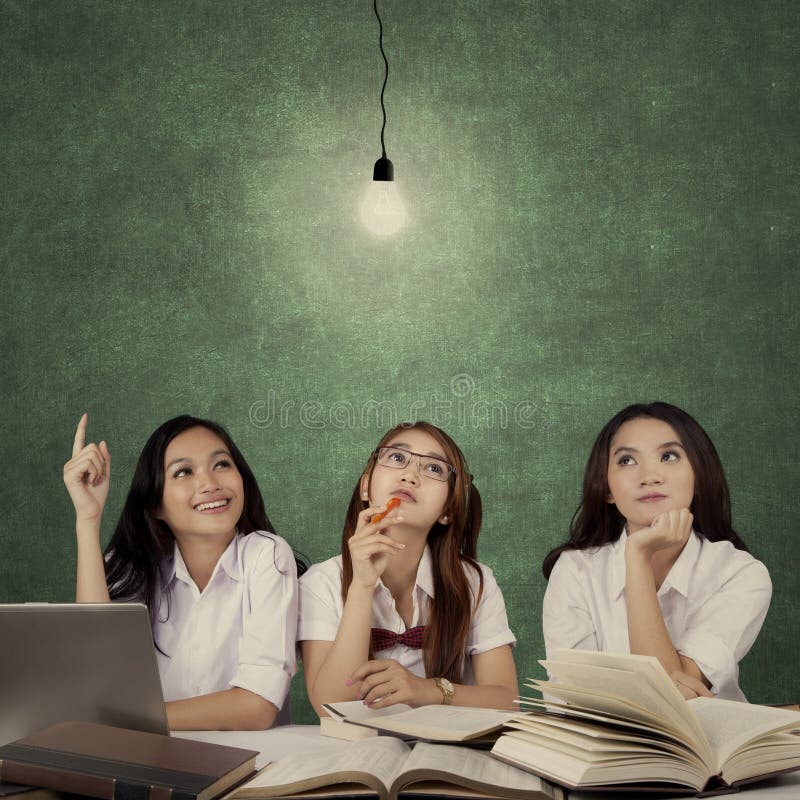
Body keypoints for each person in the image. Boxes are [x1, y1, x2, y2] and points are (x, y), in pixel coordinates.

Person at [63, 412, 303, 730]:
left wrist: (129, 717)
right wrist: (88, 518)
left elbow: (256, 706)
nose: (210, 484)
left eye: (222, 464)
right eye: (184, 472)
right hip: (152, 752)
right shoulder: (132, 568)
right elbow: (97, 672)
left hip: (250, 758)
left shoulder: (267, 555)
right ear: (155, 505)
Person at [541, 402, 771, 702]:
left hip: (705, 733)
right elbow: (574, 700)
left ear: (699, 476)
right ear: (606, 488)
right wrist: (637, 554)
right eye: (627, 460)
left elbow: (666, 701)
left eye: (669, 456)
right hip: (599, 734)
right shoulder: (574, 569)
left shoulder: (741, 574)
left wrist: (637, 558)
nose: (650, 476)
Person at [298, 421, 518, 715]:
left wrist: (425, 690)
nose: (410, 475)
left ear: (448, 510)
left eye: (434, 468)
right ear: (365, 486)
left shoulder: (474, 582)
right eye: (397, 457)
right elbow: (332, 708)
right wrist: (362, 585)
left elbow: (507, 701)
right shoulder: (321, 582)